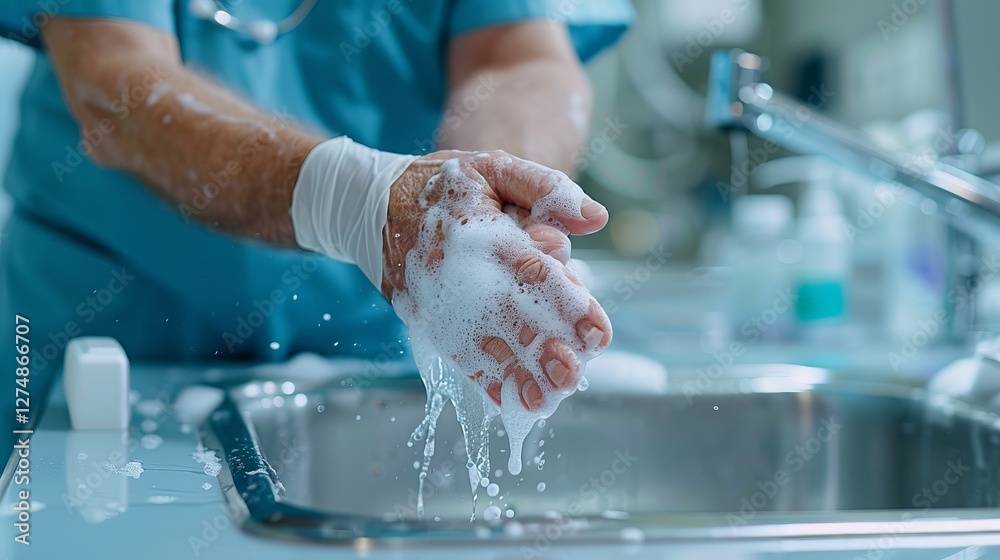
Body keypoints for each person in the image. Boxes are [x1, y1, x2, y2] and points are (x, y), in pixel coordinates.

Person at [0, 1, 631, 446]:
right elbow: (117, 82)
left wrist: (482, 203)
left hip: (373, 371)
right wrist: (358, 200)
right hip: (98, 366)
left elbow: (518, 55)